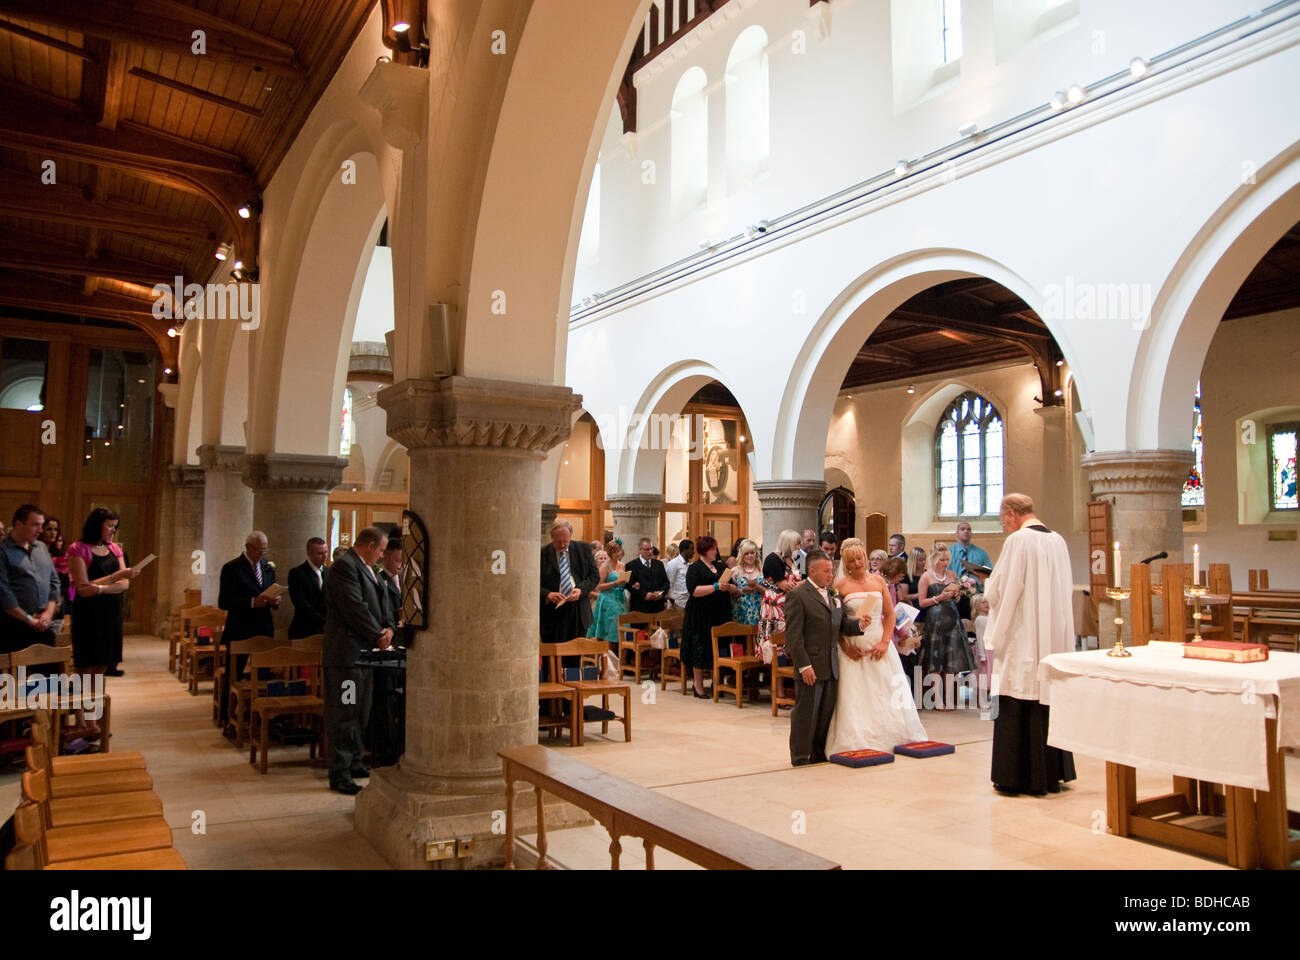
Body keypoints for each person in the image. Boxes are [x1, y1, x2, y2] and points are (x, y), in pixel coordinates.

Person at [972, 494, 1077, 796]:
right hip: (1051, 636)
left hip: (1024, 636)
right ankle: (1050, 773)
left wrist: (987, 588)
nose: (1003, 525)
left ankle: (1017, 777)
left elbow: (1005, 586)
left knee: (1019, 691)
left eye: (1003, 518)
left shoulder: (1019, 541)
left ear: (1011, 513)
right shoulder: (1057, 541)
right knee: (1044, 696)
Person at [826, 543, 927, 755]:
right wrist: (845, 646)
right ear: (846, 564)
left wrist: (884, 641)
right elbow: (836, 623)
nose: (857, 563)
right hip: (853, 645)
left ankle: (894, 735)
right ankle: (859, 738)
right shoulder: (840, 586)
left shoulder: (879, 581)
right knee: (856, 693)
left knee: (886, 690)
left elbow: (890, 615)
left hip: (879, 642)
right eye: (852, 561)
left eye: (859, 558)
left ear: (865, 558)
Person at [323, 526, 392, 795]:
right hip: (346, 658)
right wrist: (377, 635)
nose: (381, 557)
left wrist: (389, 629)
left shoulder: (367, 569)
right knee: (345, 712)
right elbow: (354, 607)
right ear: (371, 545)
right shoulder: (345, 567)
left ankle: (353, 762)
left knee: (361, 711)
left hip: (363, 657)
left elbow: (381, 604)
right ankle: (339, 772)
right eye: (382, 551)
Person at [784, 551, 870, 765]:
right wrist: (804, 666)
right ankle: (800, 756)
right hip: (811, 664)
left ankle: (818, 753)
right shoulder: (798, 595)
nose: (830, 575)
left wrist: (859, 624)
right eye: (826, 571)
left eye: (831, 570)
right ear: (812, 571)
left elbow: (839, 626)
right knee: (806, 714)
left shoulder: (832, 594)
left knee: (824, 715)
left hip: (831, 663)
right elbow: (794, 636)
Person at [65, 507, 140, 675]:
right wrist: (117, 575)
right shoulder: (77, 548)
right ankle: (83, 699)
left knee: (105, 662)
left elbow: (124, 585)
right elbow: (82, 588)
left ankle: (96, 699)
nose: (114, 530)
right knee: (87, 662)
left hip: (111, 610)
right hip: (88, 612)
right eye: (110, 526)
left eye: (115, 526)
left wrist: (98, 588)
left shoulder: (114, 549)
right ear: (96, 525)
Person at [917, 544, 974, 710]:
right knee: (936, 661)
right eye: (941, 559)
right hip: (935, 621)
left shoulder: (952, 575)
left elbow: (956, 600)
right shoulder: (926, 577)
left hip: (952, 619)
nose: (944, 562)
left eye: (947, 559)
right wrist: (939, 597)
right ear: (934, 559)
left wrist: (958, 594)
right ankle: (938, 699)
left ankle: (949, 698)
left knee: (951, 661)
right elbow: (922, 602)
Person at [0, 505, 61, 654]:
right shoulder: (3, 550)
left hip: (44, 622)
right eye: (35, 525)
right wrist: (29, 619)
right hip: (14, 624)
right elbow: (3, 592)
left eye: (41, 525)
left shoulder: (41, 547)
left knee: (49, 674)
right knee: (15, 675)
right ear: (19, 524)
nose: (40, 530)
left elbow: (54, 582)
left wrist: (48, 612)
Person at [681, 536, 737, 698]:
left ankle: (716, 683)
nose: (716, 551)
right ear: (705, 551)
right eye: (713, 549)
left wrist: (729, 587)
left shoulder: (719, 566)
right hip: (701, 614)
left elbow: (732, 584)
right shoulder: (695, 568)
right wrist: (715, 586)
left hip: (719, 613)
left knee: (719, 647)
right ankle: (698, 685)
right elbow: (694, 591)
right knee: (701, 647)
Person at [539, 520, 599, 644]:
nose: (562, 545)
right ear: (552, 538)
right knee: (551, 659)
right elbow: (532, 582)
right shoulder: (542, 553)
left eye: (565, 542)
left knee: (574, 658)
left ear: (570, 537)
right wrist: (548, 594)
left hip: (577, 610)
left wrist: (580, 590)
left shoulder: (583, 549)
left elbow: (594, 576)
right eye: (558, 542)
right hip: (552, 612)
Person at [218, 532, 280, 645]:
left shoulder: (267, 566)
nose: (262, 554)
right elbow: (224, 602)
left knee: (265, 662)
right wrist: (252, 602)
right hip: (240, 629)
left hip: (264, 629)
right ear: (248, 547)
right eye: (258, 550)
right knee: (237, 663)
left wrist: (274, 601)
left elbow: (271, 588)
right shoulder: (232, 568)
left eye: (265, 550)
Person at [758, 529, 802, 645]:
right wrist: (800, 584)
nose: (798, 547)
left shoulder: (799, 557)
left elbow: (808, 580)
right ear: (787, 545)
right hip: (776, 605)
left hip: (795, 601)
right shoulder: (772, 559)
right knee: (778, 638)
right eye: (796, 544)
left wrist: (798, 584)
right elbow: (784, 586)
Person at [586, 540, 628, 649]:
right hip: (608, 599)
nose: (618, 554)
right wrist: (615, 583)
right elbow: (598, 587)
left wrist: (627, 584)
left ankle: (618, 658)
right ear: (610, 553)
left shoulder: (622, 565)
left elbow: (622, 582)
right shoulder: (605, 567)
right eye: (615, 552)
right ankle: (607, 656)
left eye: (619, 551)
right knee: (611, 628)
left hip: (620, 598)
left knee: (622, 626)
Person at [287, 537, 330, 639]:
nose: (324, 557)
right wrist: (322, 621)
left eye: (326, 552)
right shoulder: (297, 573)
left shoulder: (329, 572)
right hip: (304, 628)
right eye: (320, 553)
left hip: (326, 629)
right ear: (309, 553)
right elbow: (301, 603)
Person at [626, 537, 669, 615]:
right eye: (647, 549)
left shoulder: (659, 564)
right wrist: (645, 595)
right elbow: (629, 586)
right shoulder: (631, 565)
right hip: (640, 607)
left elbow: (666, 582)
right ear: (640, 550)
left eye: (651, 549)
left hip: (657, 607)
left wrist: (661, 593)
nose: (650, 552)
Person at [728, 539, 764, 627]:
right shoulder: (734, 572)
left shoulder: (762, 570)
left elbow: (770, 593)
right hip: (741, 611)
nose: (750, 556)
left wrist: (757, 587)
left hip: (760, 611)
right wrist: (743, 590)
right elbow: (729, 595)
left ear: (756, 554)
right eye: (746, 553)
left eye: (752, 553)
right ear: (741, 555)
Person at [40, 517, 70, 618]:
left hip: (58, 602)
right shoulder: (34, 552)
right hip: (38, 601)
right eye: (49, 529)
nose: (53, 533)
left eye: (56, 529)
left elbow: (67, 584)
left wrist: (58, 601)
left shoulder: (60, 555)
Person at [378, 539, 404, 630]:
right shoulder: (379, 579)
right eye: (398, 560)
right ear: (385, 558)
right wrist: (398, 613)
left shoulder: (403, 578)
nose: (401, 565)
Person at [664, 538, 694, 609]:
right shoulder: (673, 563)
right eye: (691, 549)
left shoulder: (689, 565)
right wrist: (672, 600)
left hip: (688, 601)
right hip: (677, 603)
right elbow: (668, 583)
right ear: (685, 550)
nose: (693, 552)